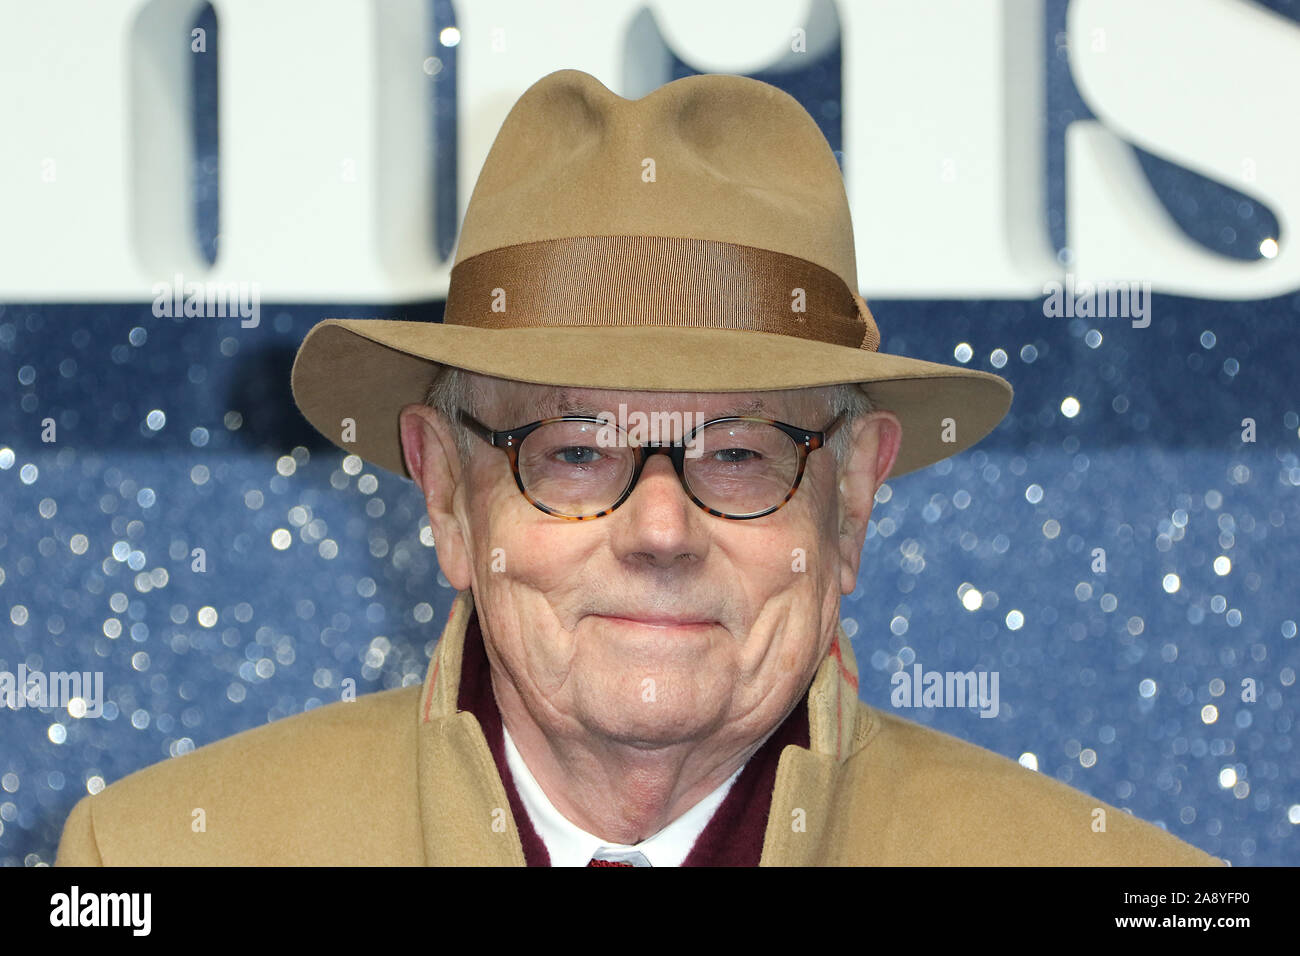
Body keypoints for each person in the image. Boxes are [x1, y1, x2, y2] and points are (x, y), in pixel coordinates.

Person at [55, 69, 1218, 866]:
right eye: (569, 451)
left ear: (853, 497)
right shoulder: (153, 861)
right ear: (447, 496)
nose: (659, 527)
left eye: (739, 450)